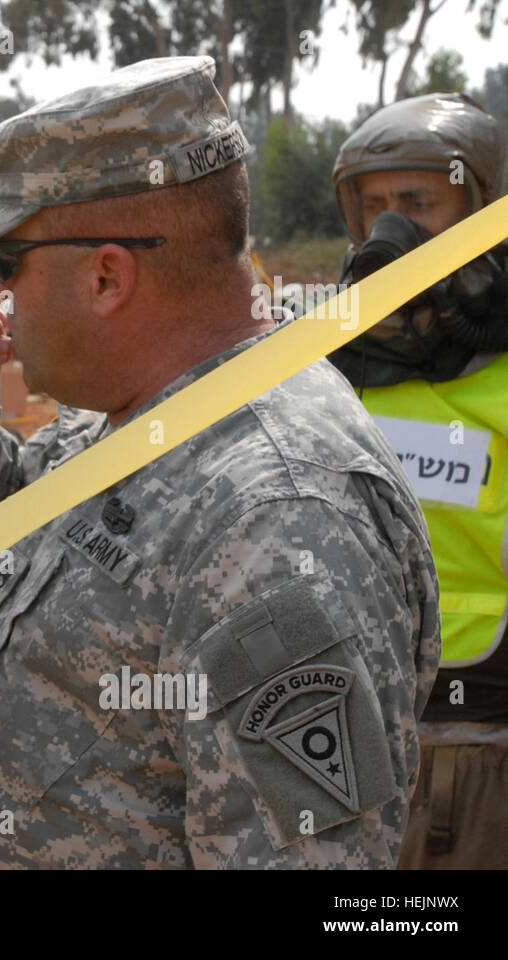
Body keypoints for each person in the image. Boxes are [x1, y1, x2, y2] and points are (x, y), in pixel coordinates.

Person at [0, 56, 441, 868]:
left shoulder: (279, 522)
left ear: (107, 275)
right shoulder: (134, 416)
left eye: (7, 263)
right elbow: (9, 540)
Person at [327, 93, 508, 868]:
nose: (389, 232)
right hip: (345, 749)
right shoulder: (330, 371)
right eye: (373, 208)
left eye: (416, 203)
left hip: (481, 746)